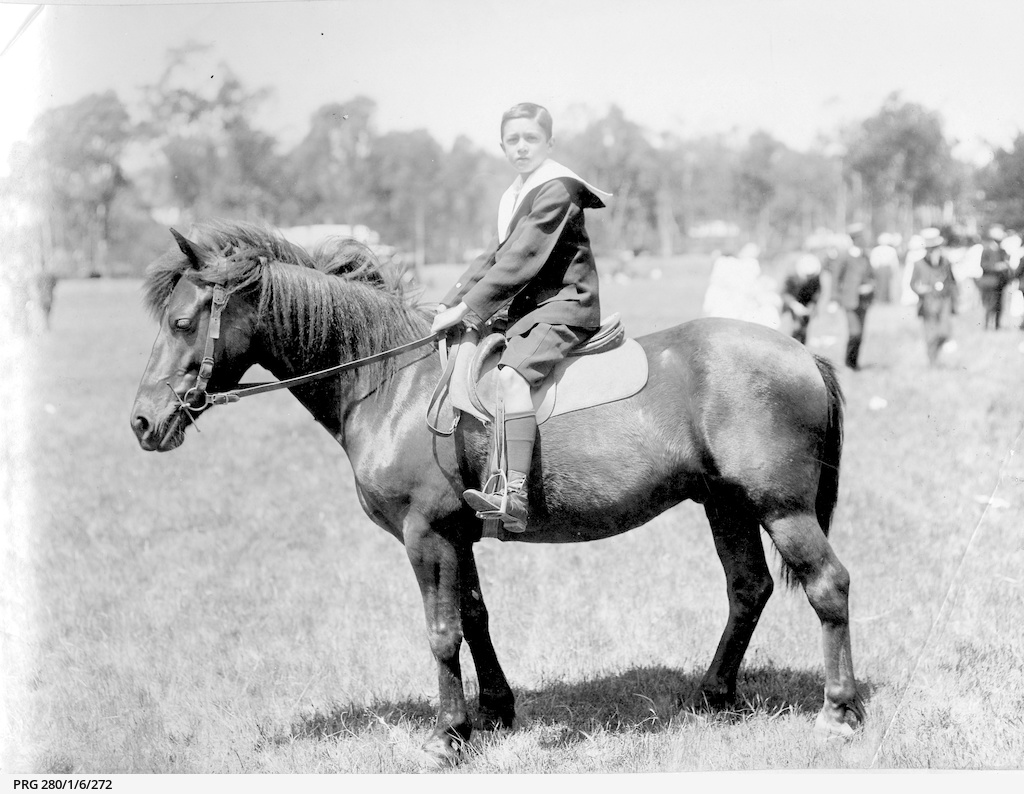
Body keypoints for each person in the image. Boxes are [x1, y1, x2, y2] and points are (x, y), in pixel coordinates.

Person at [430, 102, 610, 532]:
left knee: (510, 377)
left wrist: (468, 308)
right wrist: (449, 301)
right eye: (513, 140)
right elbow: (496, 255)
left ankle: (512, 494)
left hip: (565, 306)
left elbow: (522, 258)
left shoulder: (557, 188)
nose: (522, 147)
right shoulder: (516, 194)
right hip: (532, 312)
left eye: (531, 138)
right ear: (502, 146)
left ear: (549, 142)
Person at [910, 228, 959, 365]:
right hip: (928, 303)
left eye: (936, 248)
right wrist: (921, 290)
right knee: (931, 335)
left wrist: (955, 302)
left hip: (944, 301)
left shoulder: (946, 262)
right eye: (931, 248)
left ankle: (936, 354)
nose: (935, 251)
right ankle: (932, 361)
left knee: (944, 332)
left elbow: (952, 282)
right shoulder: (919, 264)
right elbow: (912, 284)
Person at [833, 223, 876, 370]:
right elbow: (836, 279)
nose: (864, 240)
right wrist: (836, 298)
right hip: (850, 300)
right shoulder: (845, 256)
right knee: (855, 333)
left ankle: (854, 364)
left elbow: (871, 275)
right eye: (861, 237)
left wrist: (870, 286)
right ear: (855, 239)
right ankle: (848, 363)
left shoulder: (865, 256)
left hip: (864, 301)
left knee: (861, 334)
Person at [779, 252, 822, 344]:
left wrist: (812, 305)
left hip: (805, 306)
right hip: (791, 304)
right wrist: (794, 305)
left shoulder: (815, 275)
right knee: (789, 329)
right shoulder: (791, 274)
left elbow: (817, 292)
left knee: (803, 331)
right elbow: (784, 293)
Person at [976, 225, 1012, 330]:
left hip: (1000, 282)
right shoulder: (986, 250)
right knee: (989, 305)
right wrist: (996, 267)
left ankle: (997, 325)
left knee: (999, 305)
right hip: (989, 281)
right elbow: (983, 265)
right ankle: (987, 325)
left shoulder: (1002, 251)